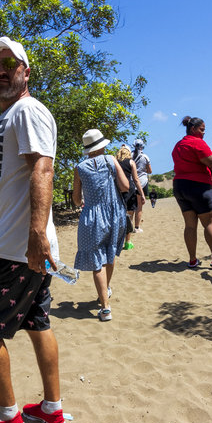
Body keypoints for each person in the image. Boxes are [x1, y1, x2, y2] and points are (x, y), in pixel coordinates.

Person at [0, 36, 67, 423]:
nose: (0, 71)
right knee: (36, 322)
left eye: (9, 63)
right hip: (9, 241)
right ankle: (51, 409)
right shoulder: (11, 115)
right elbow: (10, 182)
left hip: (15, 251)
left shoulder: (27, 110)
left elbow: (42, 170)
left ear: (26, 71)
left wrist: (36, 235)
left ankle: (8, 418)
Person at [73, 130, 130, 321]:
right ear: (102, 146)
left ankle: (105, 307)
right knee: (110, 253)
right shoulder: (110, 160)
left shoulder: (79, 167)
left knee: (97, 260)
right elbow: (125, 186)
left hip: (91, 217)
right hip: (115, 214)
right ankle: (104, 293)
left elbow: (75, 199)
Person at [171, 116, 212, 270]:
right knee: (209, 222)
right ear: (193, 129)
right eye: (202, 129)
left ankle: (192, 260)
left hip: (180, 186)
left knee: (190, 225)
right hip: (198, 186)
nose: (204, 133)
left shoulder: (178, 145)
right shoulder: (197, 142)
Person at [116, 144, 146, 250]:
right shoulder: (131, 162)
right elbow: (136, 179)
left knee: (118, 217)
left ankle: (117, 242)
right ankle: (128, 242)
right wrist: (142, 194)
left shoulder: (114, 162)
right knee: (129, 217)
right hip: (130, 191)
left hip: (117, 191)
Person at [132, 138, 153, 216]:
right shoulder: (145, 157)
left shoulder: (130, 156)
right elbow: (150, 171)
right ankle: (137, 227)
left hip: (131, 183)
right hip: (142, 182)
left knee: (131, 206)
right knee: (139, 206)